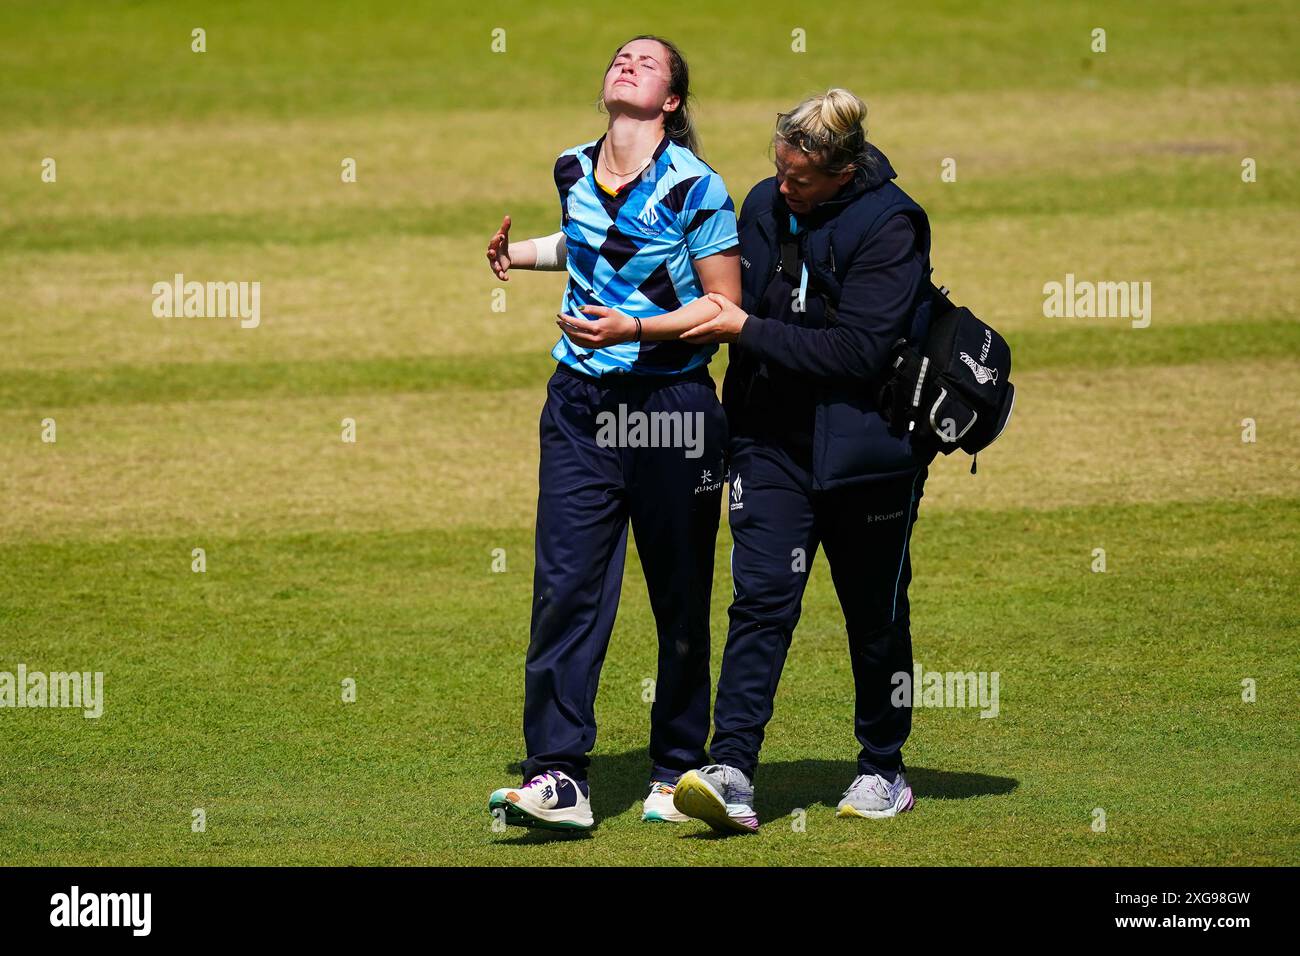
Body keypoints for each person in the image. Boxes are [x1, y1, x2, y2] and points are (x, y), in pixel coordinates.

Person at [483, 35, 741, 830]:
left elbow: (721, 307)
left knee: (679, 592)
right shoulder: (570, 167)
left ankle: (674, 771)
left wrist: (635, 326)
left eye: (648, 63)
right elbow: (590, 245)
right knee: (565, 585)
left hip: (670, 409)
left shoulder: (698, 187)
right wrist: (520, 254)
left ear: (670, 101)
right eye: (619, 58)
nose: (626, 64)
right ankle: (558, 775)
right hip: (579, 407)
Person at [667, 88, 936, 832]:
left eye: (800, 178)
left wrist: (745, 328)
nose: (784, 187)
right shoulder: (761, 204)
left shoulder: (891, 225)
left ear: (843, 170)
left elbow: (858, 352)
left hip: (868, 456)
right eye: (779, 170)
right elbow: (719, 298)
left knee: (874, 617)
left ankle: (883, 766)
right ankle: (733, 769)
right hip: (769, 444)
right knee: (760, 602)